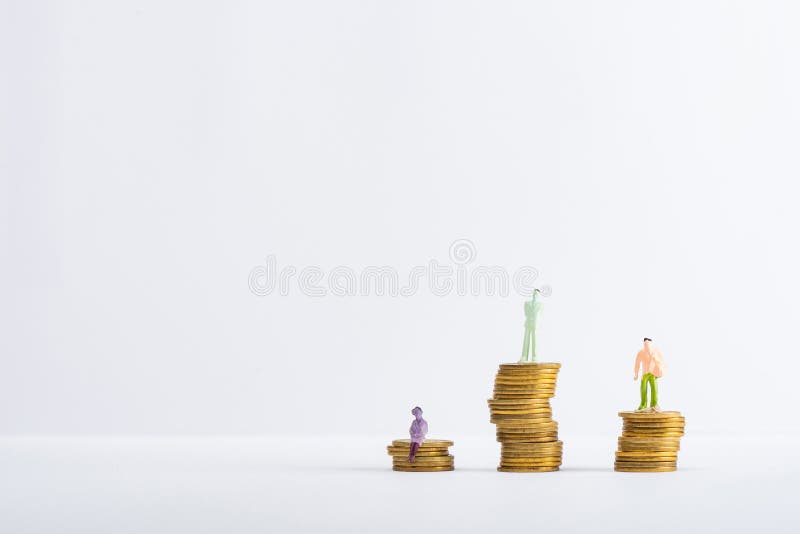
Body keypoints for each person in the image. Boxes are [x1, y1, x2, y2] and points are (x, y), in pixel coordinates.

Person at [633, 338, 666, 412]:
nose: (647, 346)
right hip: (645, 373)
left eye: (648, 344)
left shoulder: (655, 351)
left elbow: (661, 362)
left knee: (654, 388)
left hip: (653, 373)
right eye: (645, 344)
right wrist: (636, 374)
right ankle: (643, 404)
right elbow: (637, 363)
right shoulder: (641, 352)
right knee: (643, 389)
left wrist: (656, 361)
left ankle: (654, 404)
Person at [519, 289, 543, 363]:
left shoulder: (541, 304)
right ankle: (524, 356)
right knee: (526, 339)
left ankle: (534, 356)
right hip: (528, 322)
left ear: (539, 295)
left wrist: (536, 321)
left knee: (534, 340)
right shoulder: (527, 303)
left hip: (535, 323)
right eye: (534, 293)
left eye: (537, 293)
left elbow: (540, 314)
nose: (535, 295)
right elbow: (526, 313)